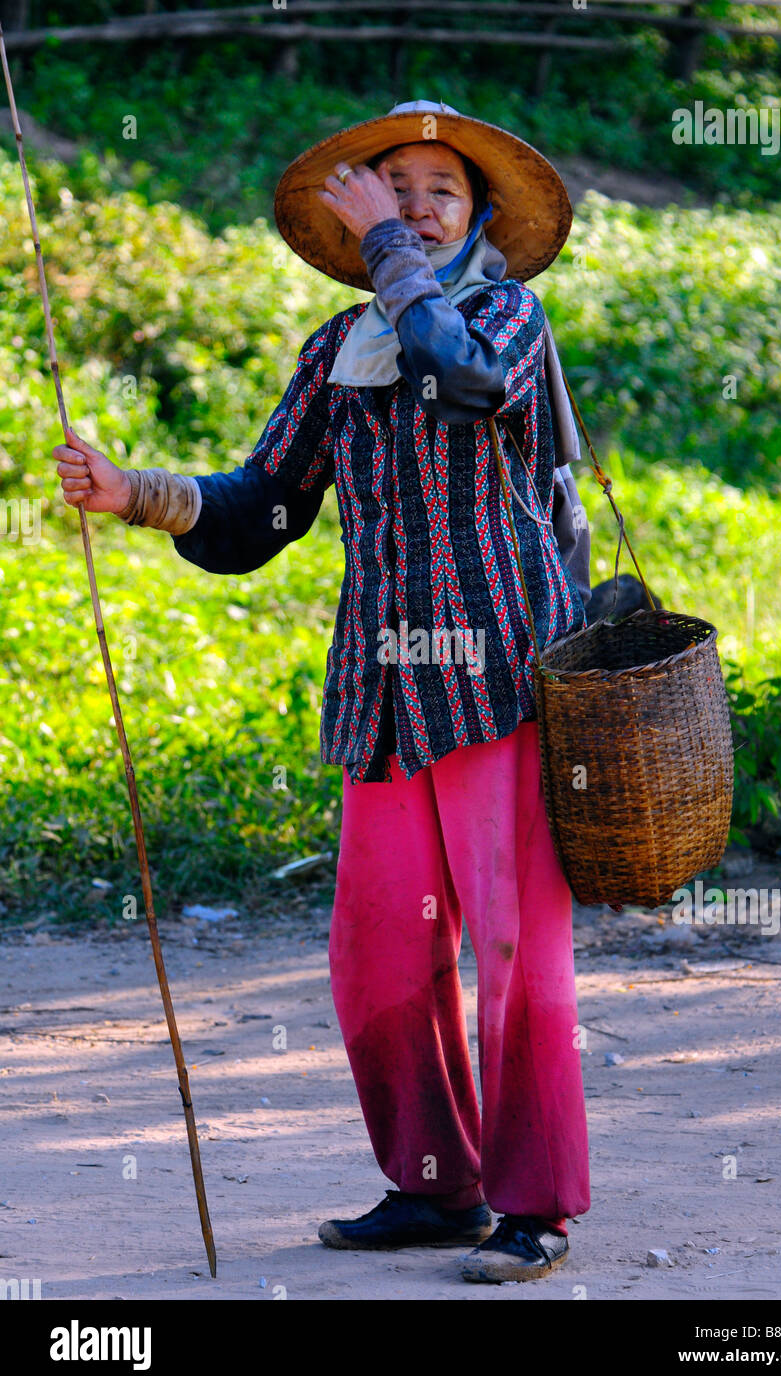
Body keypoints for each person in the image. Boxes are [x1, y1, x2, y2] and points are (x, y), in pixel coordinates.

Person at [54, 99, 592, 1285]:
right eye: (390, 188)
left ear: (474, 220)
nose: (410, 208)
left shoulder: (504, 313)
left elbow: (462, 379)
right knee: (375, 955)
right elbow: (266, 502)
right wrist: (131, 491)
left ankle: (534, 1206)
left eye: (437, 195)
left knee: (511, 948)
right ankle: (434, 1186)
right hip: (383, 689)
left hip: (498, 673)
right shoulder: (340, 346)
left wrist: (397, 260)